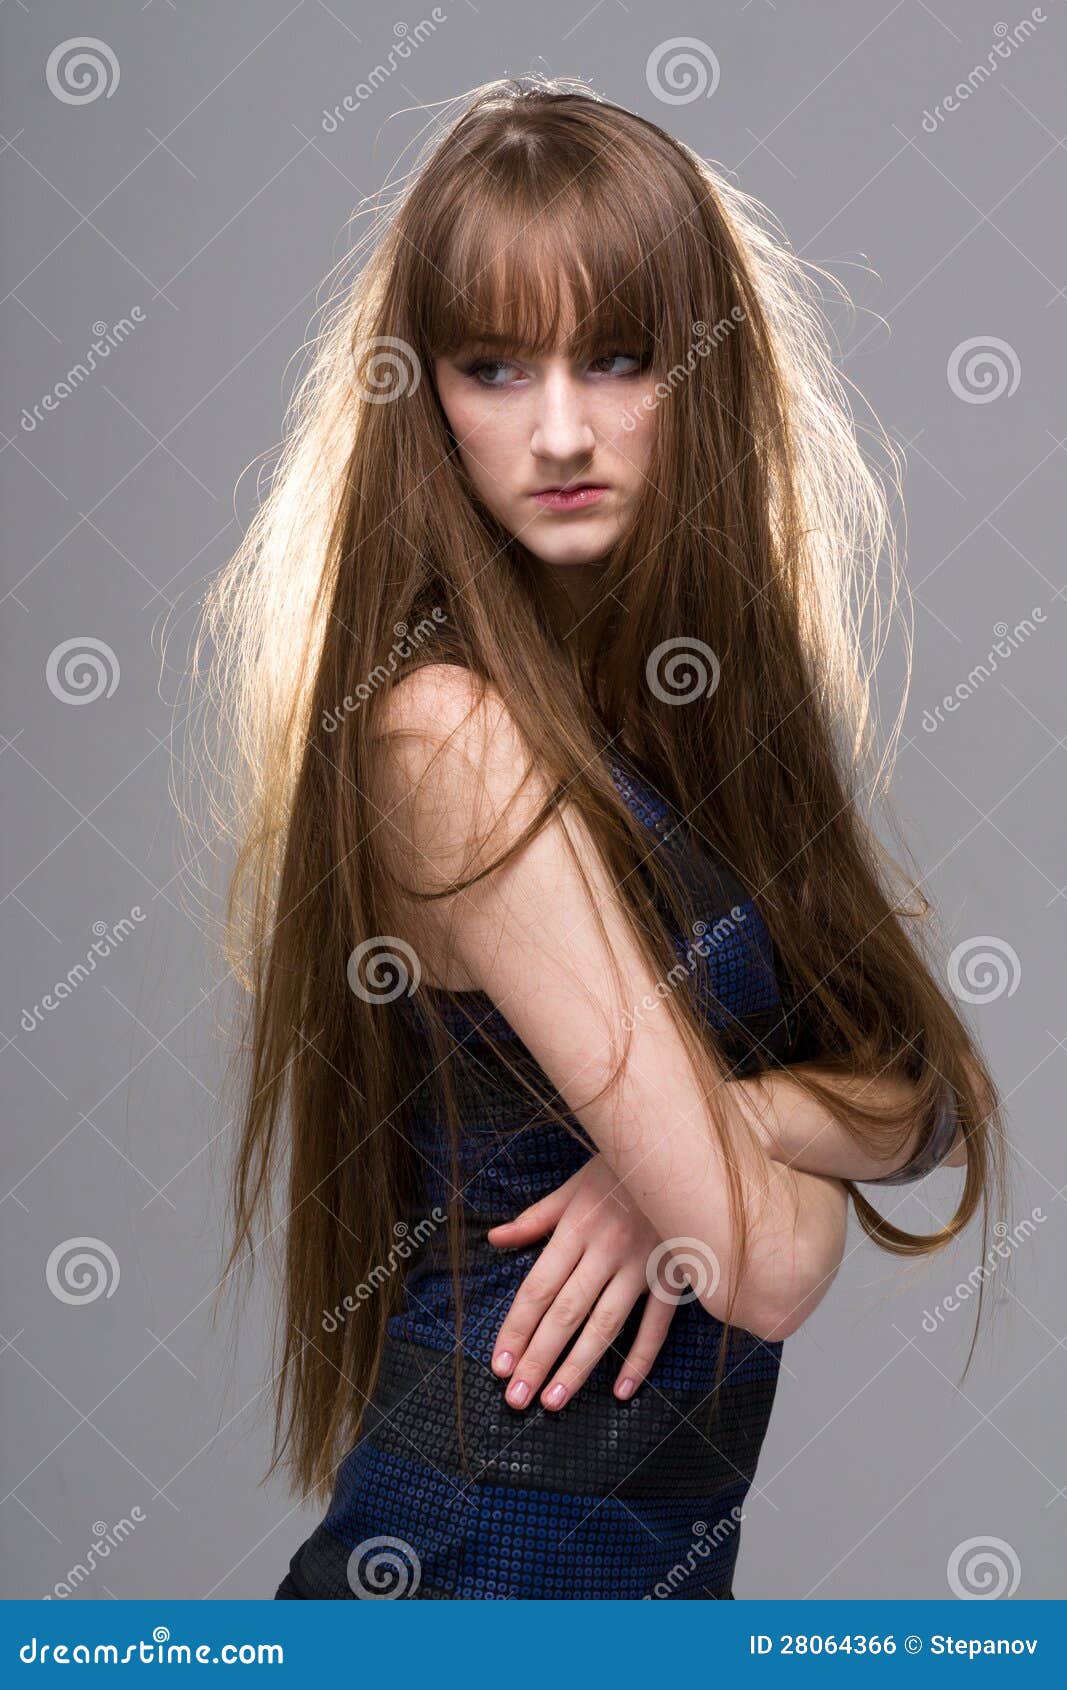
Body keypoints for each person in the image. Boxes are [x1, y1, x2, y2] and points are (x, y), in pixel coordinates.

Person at [185, 75, 1006, 1600]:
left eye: (618, 357)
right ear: (417, 393)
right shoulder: (442, 732)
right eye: (493, 367)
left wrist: (722, 1136)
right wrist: (733, 1165)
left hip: (645, 1581)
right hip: (479, 1573)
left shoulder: (692, 716)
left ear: (704, 371)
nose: (560, 429)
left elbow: (935, 1094)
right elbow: (764, 1267)